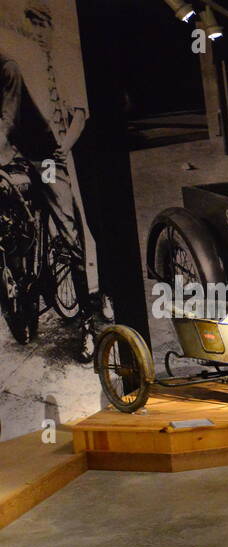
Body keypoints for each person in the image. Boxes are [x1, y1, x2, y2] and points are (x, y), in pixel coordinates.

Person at [0, 3, 96, 344]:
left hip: (51, 158)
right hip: (20, 158)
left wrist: (60, 152)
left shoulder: (68, 65)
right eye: (33, 25)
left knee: (71, 238)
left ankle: (87, 321)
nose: (39, 33)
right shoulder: (23, 65)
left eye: (43, 26)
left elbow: (80, 118)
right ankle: (20, 289)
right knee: (12, 225)